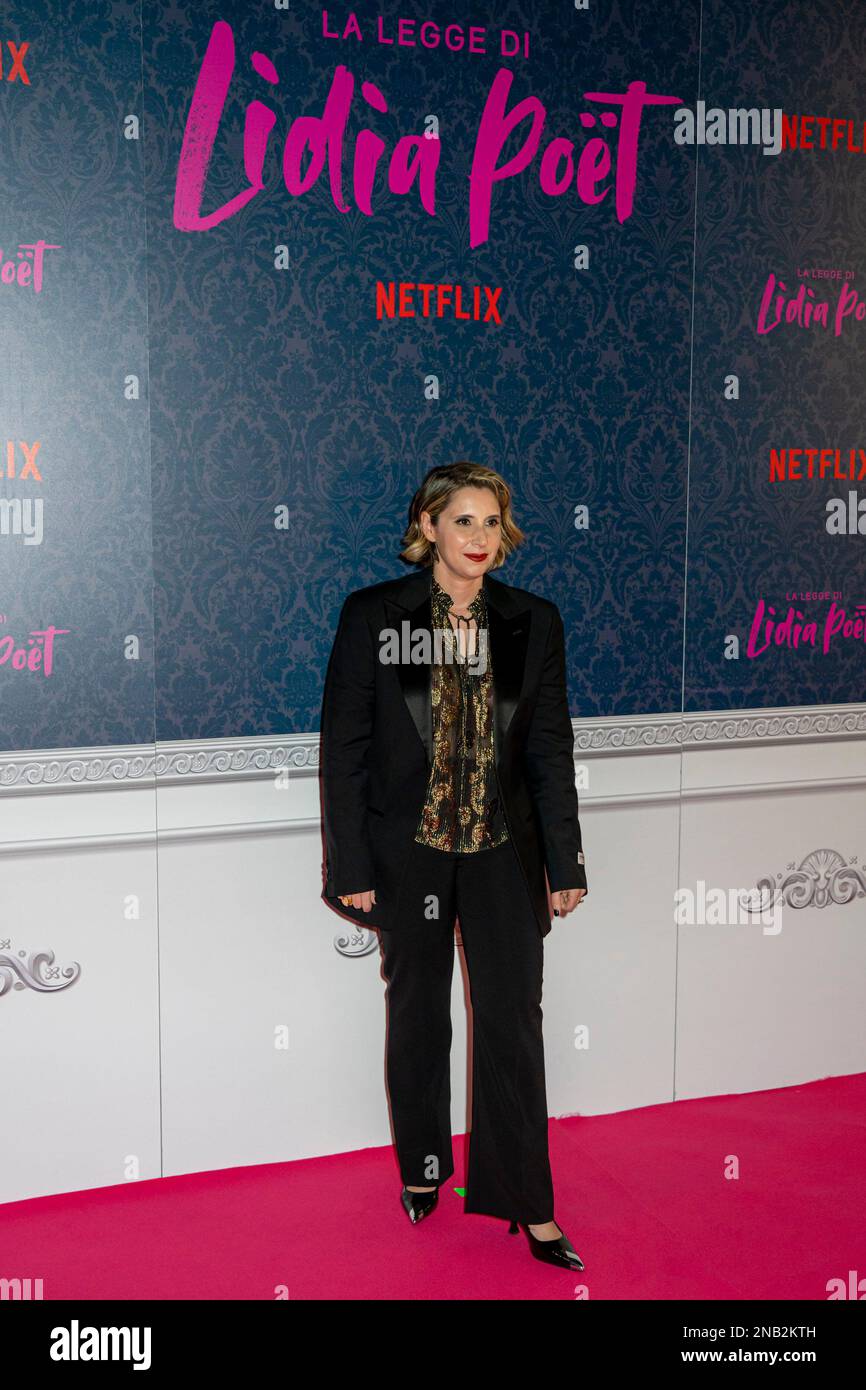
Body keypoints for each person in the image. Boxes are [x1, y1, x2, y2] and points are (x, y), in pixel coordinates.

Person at [319, 461, 588, 1271]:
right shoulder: (376, 615)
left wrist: (566, 860)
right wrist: (353, 864)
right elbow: (346, 752)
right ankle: (425, 1170)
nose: (479, 539)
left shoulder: (532, 620)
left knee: (514, 1023)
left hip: (504, 853)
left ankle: (530, 1206)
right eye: (463, 521)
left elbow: (548, 748)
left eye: (492, 524)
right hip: (411, 853)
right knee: (420, 1018)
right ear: (428, 527)